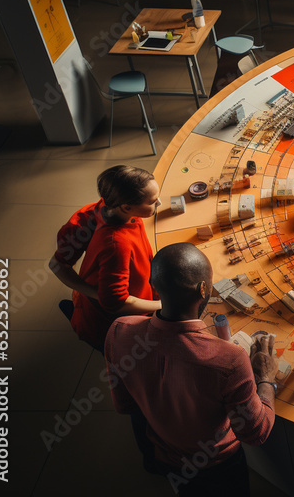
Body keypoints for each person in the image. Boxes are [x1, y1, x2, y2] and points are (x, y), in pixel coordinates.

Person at [105, 243, 278, 496]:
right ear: (204, 289)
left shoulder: (119, 330)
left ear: (154, 285)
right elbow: (256, 433)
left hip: (163, 454)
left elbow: (124, 406)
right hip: (218, 467)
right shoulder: (230, 359)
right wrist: (265, 379)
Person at [50, 165, 162, 351]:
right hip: (114, 320)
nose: (159, 203)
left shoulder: (114, 209)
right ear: (127, 207)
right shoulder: (115, 244)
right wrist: (162, 305)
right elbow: (115, 302)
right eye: (152, 201)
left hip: (133, 289)